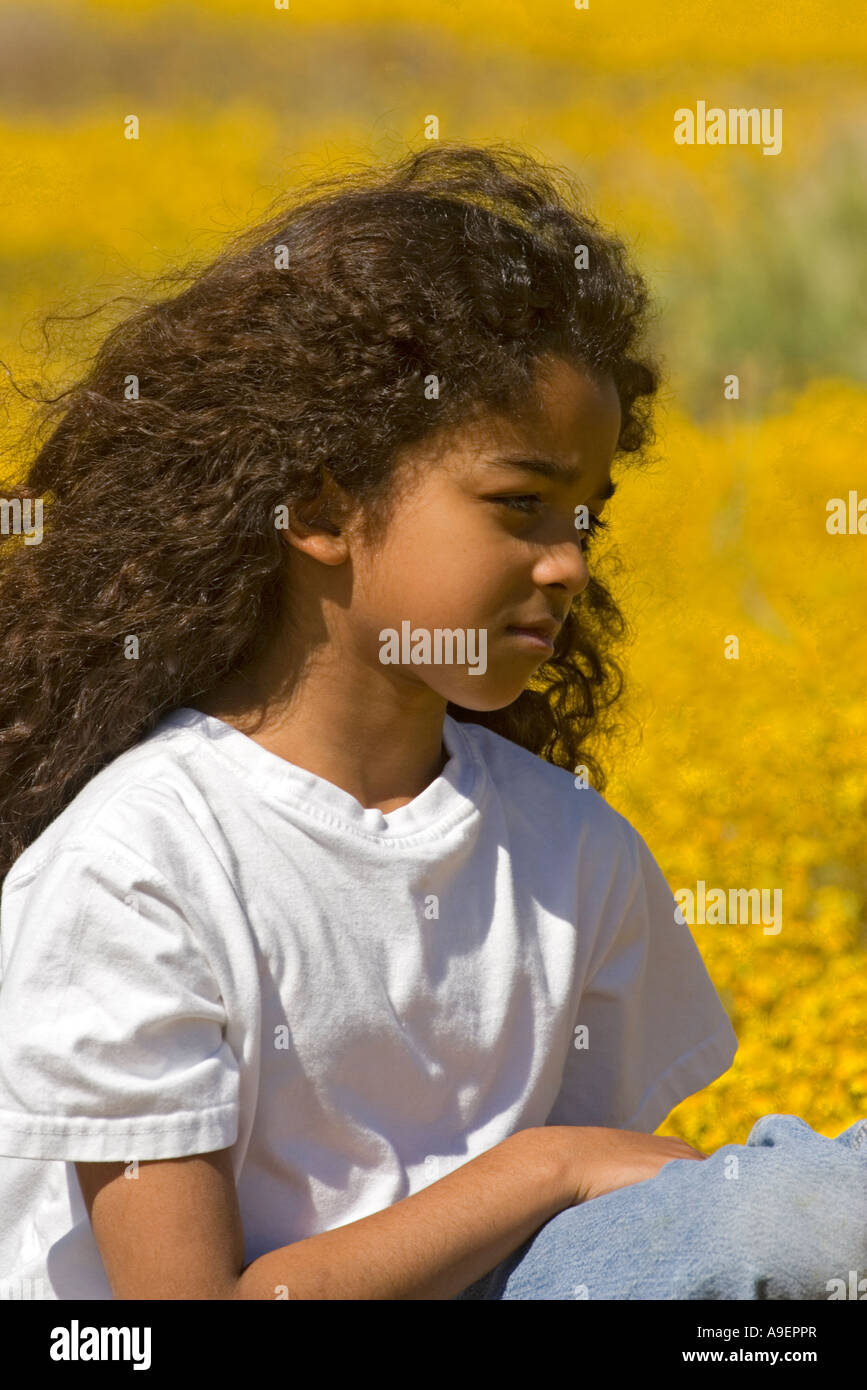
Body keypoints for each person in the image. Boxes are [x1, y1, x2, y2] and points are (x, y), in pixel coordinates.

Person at [0, 143, 863, 1302]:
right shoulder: (138, 868)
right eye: (519, 504)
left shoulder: (574, 851)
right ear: (317, 508)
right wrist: (545, 1165)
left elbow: (606, 1255)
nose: (567, 563)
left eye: (586, 517)